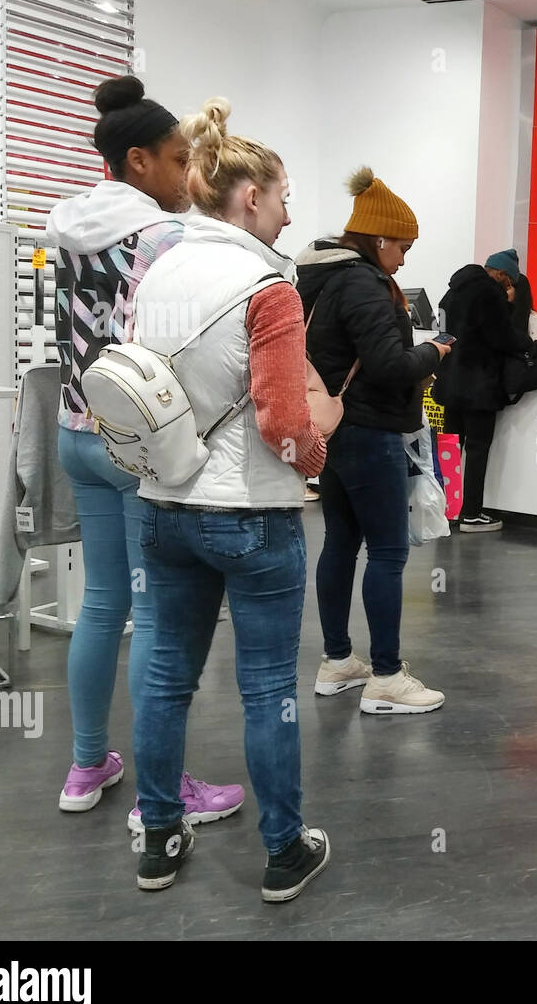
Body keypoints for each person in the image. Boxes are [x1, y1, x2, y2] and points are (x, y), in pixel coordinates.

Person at [130, 98, 330, 901]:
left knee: (165, 677)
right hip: (250, 513)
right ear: (250, 198)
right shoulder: (267, 284)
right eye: (284, 196)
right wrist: (320, 450)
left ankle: (158, 837)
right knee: (269, 687)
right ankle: (284, 850)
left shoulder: (159, 272)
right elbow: (285, 425)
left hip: (161, 503)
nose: (289, 212)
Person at [48, 75, 242, 830]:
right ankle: (167, 791)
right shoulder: (162, 237)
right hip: (137, 442)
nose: (187, 174)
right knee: (160, 616)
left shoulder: (65, 227)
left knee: (103, 604)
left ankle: (86, 763)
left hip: (75, 431)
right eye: (175, 158)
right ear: (137, 160)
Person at [297, 168, 451, 713]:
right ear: (379, 239)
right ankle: (386, 676)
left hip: (335, 431)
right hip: (373, 433)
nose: (405, 259)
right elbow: (388, 364)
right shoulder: (362, 283)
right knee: (386, 551)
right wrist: (436, 353)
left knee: (340, 543)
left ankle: (338, 662)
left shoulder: (319, 278)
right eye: (403, 247)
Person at [434, 251, 534, 532]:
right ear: (502, 274)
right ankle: (472, 513)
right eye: (508, 282)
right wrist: (527, 344)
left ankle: (447, 509)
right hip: (478, 384)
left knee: (451, 448)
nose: (508, 287)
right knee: (478, 449)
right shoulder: (489, 294)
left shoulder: (454, 289)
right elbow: (501, 337)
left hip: (450, 380)